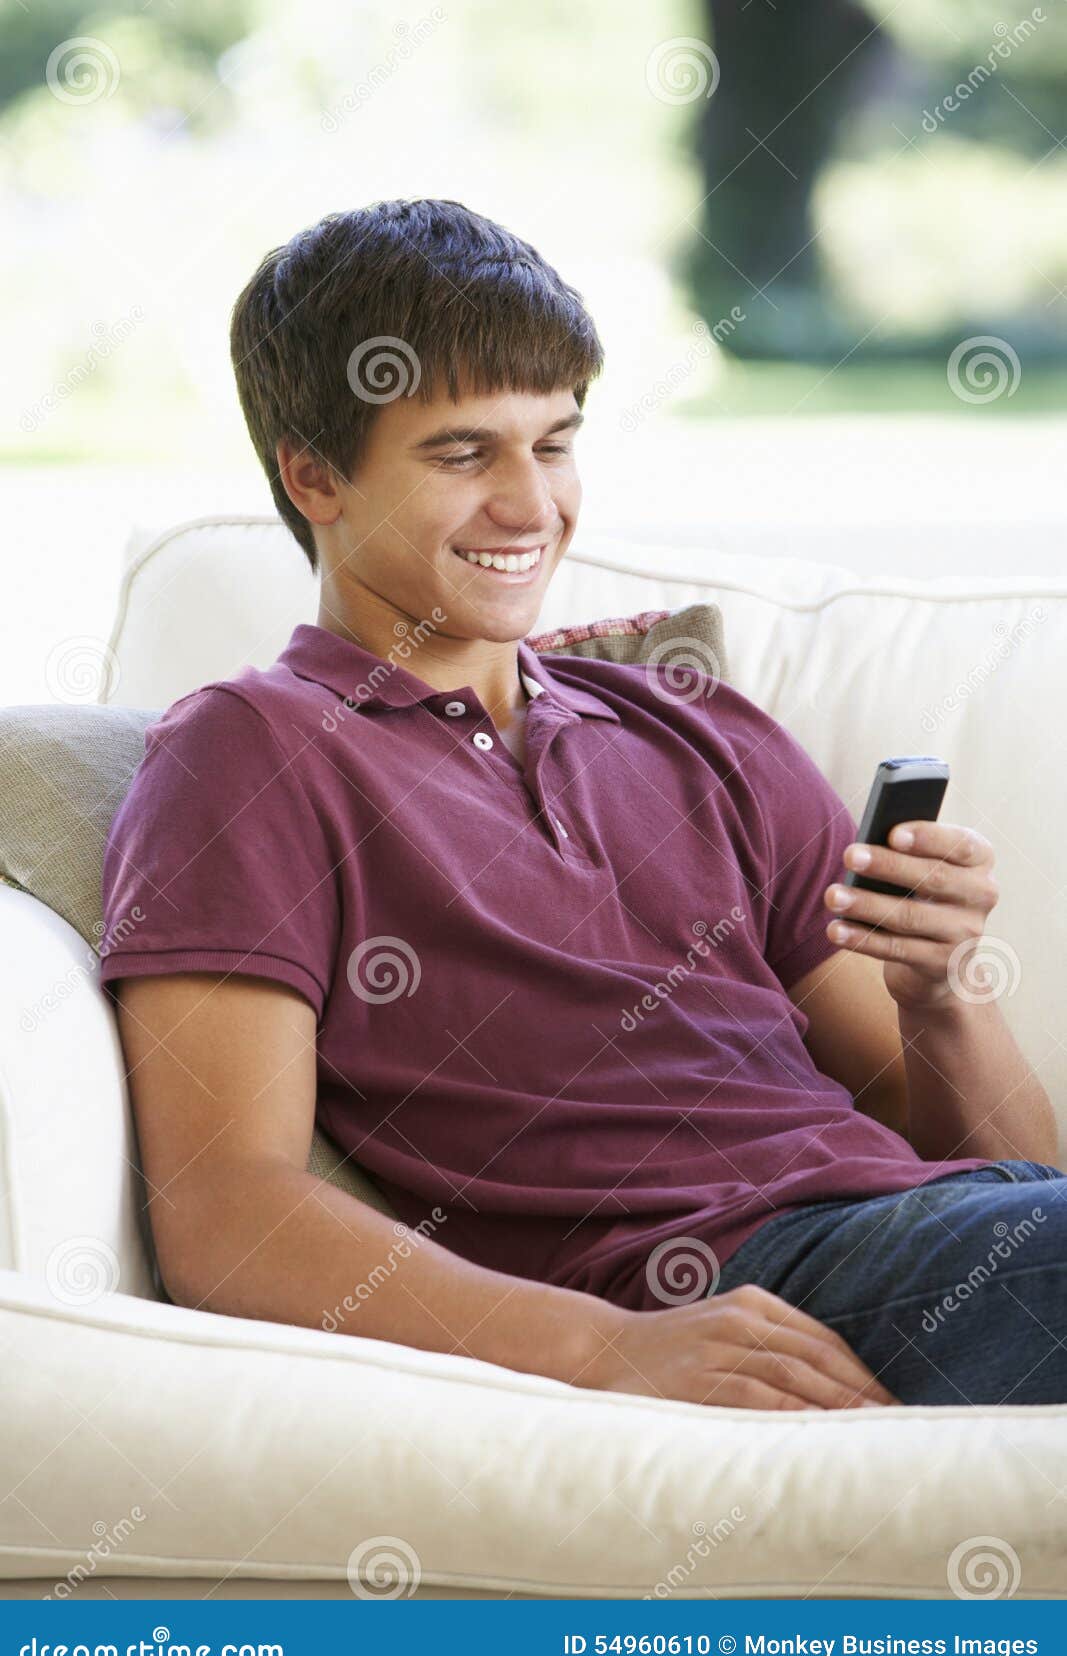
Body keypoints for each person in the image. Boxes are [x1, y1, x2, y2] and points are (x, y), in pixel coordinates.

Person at [100, 199, 1063, 1413]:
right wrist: (605, 1349)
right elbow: (226, 1210)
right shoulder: (251, 753)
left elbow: (1007, 1167)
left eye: (552, 443)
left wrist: (937, 995)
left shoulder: (693, 726)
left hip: (940, 1239)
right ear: (313, 474)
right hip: (739, 1288)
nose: (529, 505)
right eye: (462, 455)